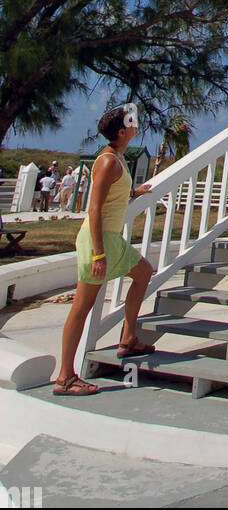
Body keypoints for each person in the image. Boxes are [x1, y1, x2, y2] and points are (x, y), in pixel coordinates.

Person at [53, 104, 154, 396]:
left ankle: (129, 338)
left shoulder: (118, 159)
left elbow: (112, 195)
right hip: (98, 241)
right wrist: (98, 253)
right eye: (132, 123)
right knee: (81, 308)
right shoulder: (107, 161)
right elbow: (94, 208)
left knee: (144, 272)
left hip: (112, 240)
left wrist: (135, 192)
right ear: (122, 131)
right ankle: (65, 377)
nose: (137, 126)